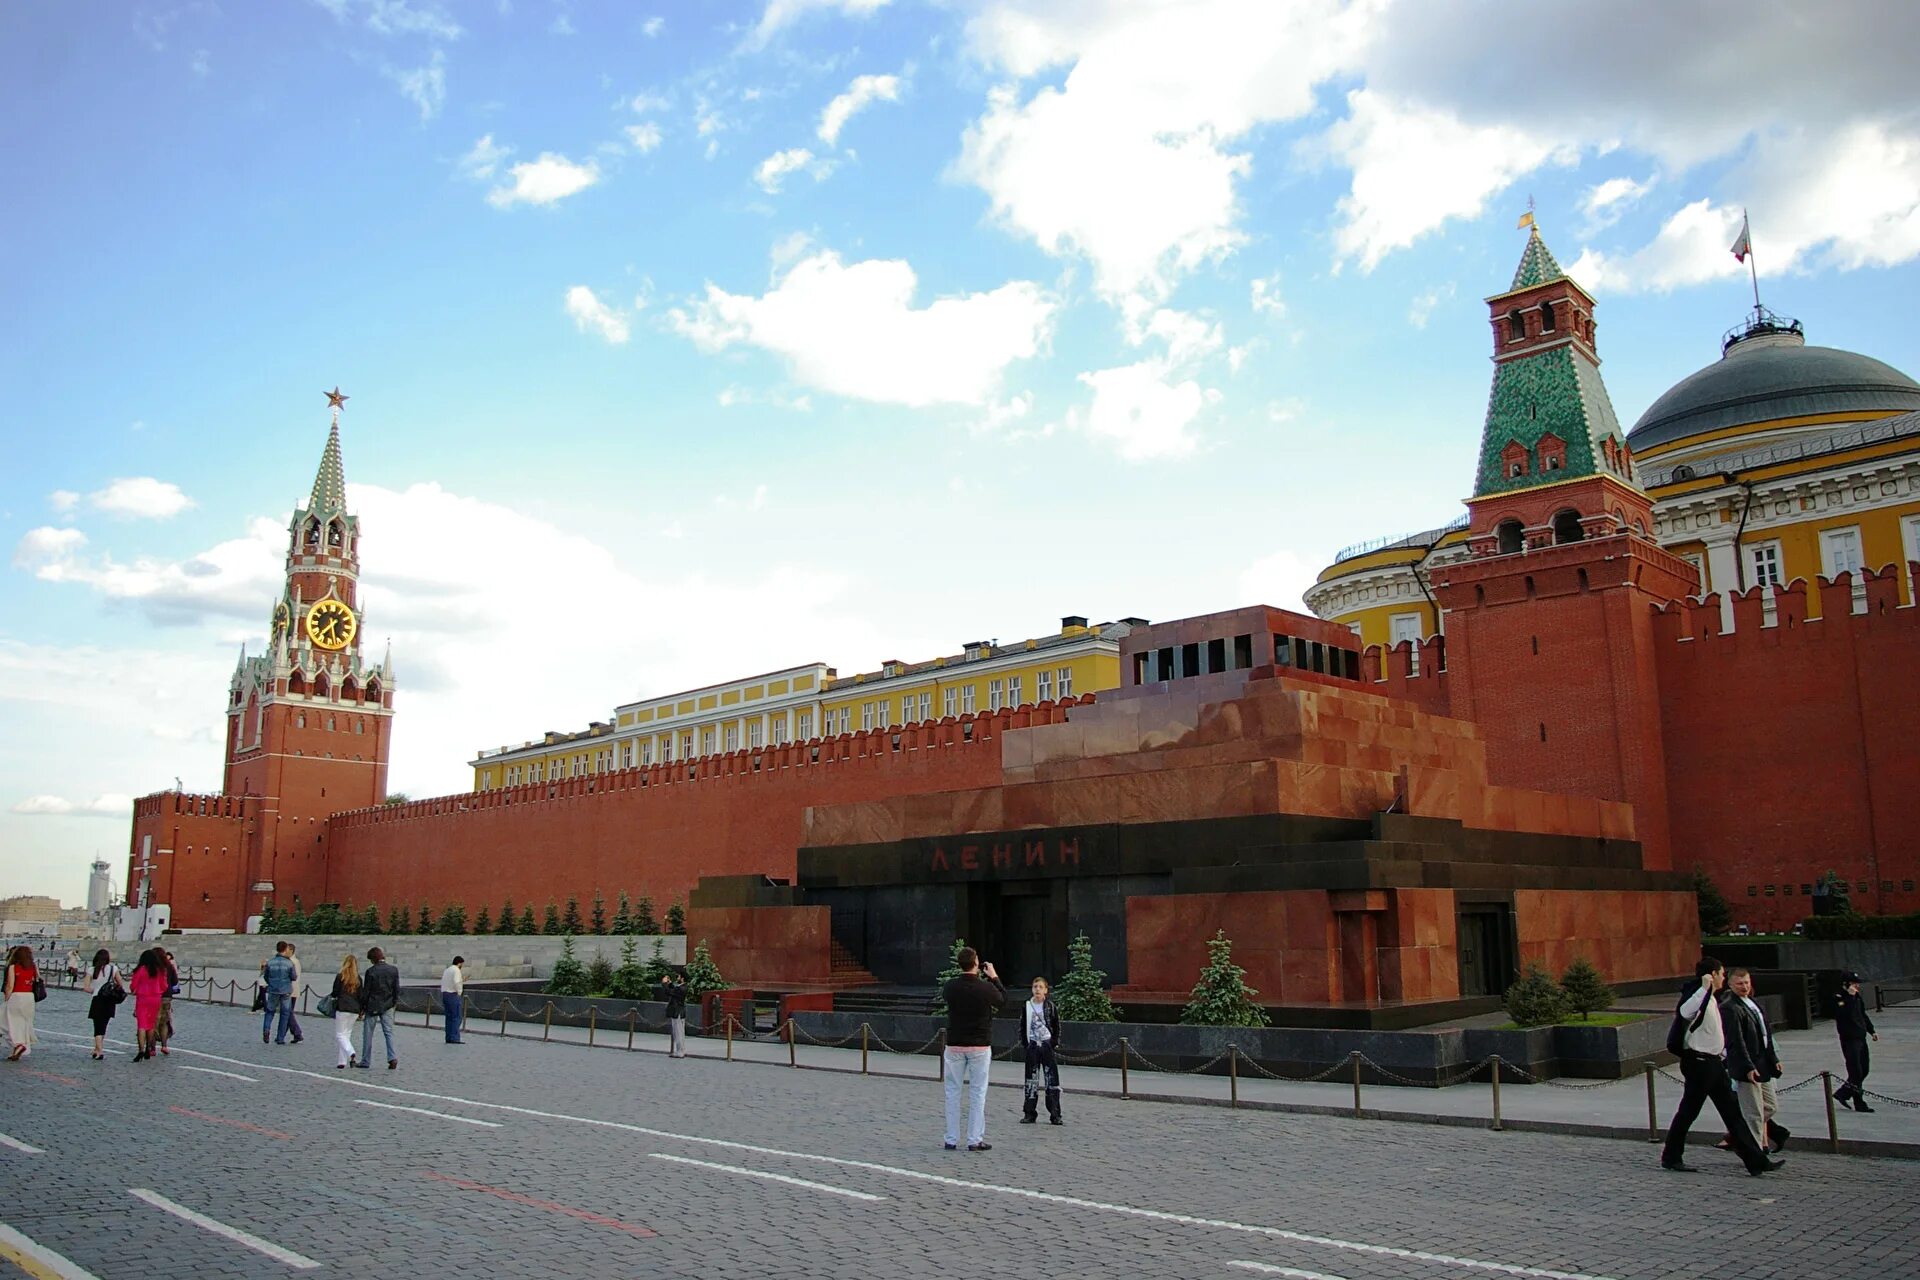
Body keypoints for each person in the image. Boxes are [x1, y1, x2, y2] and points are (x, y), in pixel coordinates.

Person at [1661, 957, 1782, 1175]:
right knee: (1688, 1112)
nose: (1723, 978)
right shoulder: (1697, 995)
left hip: (1713, 1063)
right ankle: (1671, 1156)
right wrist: (1704, 987)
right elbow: (1685, 1012)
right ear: (1712, 975)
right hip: (1699, 1063)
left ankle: (1756, 1162)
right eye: (1721, 974)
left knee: (1732, 1113)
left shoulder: (1713, 999)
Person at [941, 947, 1004, 1152]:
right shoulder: (985, 988)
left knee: (952, 1092)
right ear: (976, 963)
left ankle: (951, 1139)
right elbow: (1003, 1001)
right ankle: (974, 1139)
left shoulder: (950, 987)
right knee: (978, 1092)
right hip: (979, 1045)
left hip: (955, 1044)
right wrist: (994, 977)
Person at [1722, 968, 1789, 1153]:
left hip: (1762, 1063)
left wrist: (1773, 1058)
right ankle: (1756, 1152)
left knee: (1770, 1106)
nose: (1744, 987)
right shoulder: (1729, 1007)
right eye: (1739, 984)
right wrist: (1747, 1066)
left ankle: (1740, 1135)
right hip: (1747, 1066)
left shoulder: (1752, 1003)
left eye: (1746, 983)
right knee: (1754, 1114)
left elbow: (1765, 1033)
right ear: (1730, 985)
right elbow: (1736, 1041)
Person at [1018, 975, 1063, 1126]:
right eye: (1035, 987)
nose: (1037, 990)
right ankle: (1029, 1113)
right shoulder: (1027, 1006)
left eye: (1040, 987)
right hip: (1032, 1045)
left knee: (1051, 1080)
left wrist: (1052, 1043)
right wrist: (1026, 1043)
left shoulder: (1050, 1007)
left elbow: (1056, 1026)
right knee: (1031, 1081)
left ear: (1046, 990)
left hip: (1046, 1045)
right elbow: (1022, 1026)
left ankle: (1055, 1114)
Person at [1833, 972, 1879, 1112]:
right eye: (1854, 983)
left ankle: (1842, 1093)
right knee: (1855, 1072)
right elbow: (1843, 1014)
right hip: (1849, 1039)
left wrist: (1871, 1030)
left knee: (1864, 1069)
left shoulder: (1857, 997)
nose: (1857, 986)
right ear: (1846, 984)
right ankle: (1859, 1103)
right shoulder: (1839, 997)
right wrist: (1850, 998)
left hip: (1861, 1037)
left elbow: (1862, 1014)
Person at [358, 946, 400, 1070]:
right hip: (388, 1005)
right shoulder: (393, 970)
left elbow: (367, 992)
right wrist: (394, 1002)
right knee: (388, 1033)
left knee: (368, 1034)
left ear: (373, 959)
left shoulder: (371, 971)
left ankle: (365, 1060)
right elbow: (396, 989)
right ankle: (392, 1057)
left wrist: (362, 1007)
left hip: (372, 1006)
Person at [127, 949, 172, 1062]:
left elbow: (133, 986)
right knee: (151, 1024)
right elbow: (164, 985)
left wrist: (136, 990)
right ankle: (148, 1047)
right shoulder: (160, 970)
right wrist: (158, 991)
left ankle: (141, 1050)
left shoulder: (141, 970)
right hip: (155, 998)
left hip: (142, 998)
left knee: (141, 1024)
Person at [84, 949, 123, 1061]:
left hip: (97, 999)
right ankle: (97, 1049)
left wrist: (95, 990)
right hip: (109, 1000)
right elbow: (120, 983)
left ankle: (99, 1051)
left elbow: (86, 987)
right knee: (104, 1025)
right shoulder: (113, 968)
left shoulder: (92, 970)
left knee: (97, 1026)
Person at [3, 945, 40, 1061]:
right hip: (29, 997)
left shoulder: (13, 967)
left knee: (8, 1022)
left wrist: (7, 999)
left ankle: (18, 1045)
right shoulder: (33, 966)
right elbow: (37, 979)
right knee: (23, 1023)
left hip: (16, 996)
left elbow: (10, 986)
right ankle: (17, 1048)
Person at [329, 954, 363, 1069]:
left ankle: (351, 1052)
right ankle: (342, 1062)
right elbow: (361, 996)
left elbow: (335, 992)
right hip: (354, 1009)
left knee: (340, 1035)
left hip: (342, 1008)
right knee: (346, 1035)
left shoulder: (340, 977)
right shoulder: (358, 979)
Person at [260, 942, 297, 1045]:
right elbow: (294, 977)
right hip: (285, 990)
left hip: (273, 990)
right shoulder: (289, 963)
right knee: (284, 1014)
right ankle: (280, 1038)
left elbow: (266, 976)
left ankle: (266, 1030)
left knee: (270, 1012)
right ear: (285, 949)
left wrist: (271, 983)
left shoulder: (270, 962)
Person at [155, 949, 179, 1056]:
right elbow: (175, 981)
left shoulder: (152, 966)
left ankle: (151, 1047)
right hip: (167, 996)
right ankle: (164, 1045)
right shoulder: (169, 966)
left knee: (153, 1021)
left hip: (154, 995)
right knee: (164, 1022)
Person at [659, 971, 688, 1058]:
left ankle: (680, 1051)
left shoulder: (681, 988)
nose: (677, 978)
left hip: (677, 1011)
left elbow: (669, 992)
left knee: (678, 1032)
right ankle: (681, 1050)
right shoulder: (682, 987)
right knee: (679, 1032)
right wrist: (670, 983)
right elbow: (674, 989)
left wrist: (664, 983)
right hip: (679, 1011)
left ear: (682, 978)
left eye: (678, 977)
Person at [440, 956, 466, 1044]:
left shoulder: (447, 970)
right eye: (462, 964)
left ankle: (448, 1037)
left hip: (445, 994)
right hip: (453, 995)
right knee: (456, 1017)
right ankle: (454, 1038)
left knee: (449, 1017)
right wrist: (459, 992)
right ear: (459, 963)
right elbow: (456, 982)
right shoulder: (456, 970)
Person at [283, 942, 305, 1045]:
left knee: (288, 1012)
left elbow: (292, 977)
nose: (284, 952)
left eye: (286, 950)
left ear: (291, 950)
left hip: (290, 990)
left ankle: (297, 1033)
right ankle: (282, 1034)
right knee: (287, 1012)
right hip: (291, 990)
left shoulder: (293, 962)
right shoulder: (292, 961)